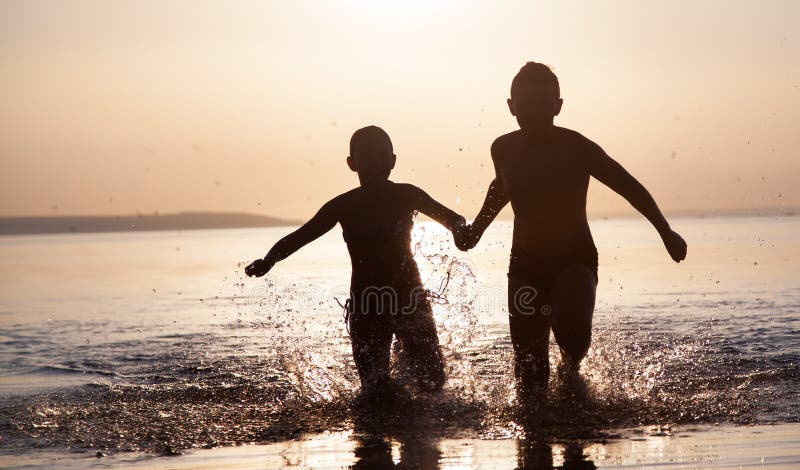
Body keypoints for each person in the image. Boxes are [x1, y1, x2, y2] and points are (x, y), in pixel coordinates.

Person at [455, 62, 687, 405]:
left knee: (571, 333)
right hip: (525, 265)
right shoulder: (502, 148)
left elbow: (626, 184)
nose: (533, 111)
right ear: (511, 107)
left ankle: (570, 369)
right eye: (525, 103)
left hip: (574, 259)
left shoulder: (576, 146)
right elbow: (502, 187)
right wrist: (475, 229)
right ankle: (534, 444)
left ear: (558, 106)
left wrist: (665, 231)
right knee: (529, 371)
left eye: (542, 103)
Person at [245, 126, 466, 401]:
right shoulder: (344, 205)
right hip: (366, 304)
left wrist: (460, 230)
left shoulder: (407, 194)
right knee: (374, 390)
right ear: (352, 163)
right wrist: (269, 260)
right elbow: (301, 236)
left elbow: (452, 218)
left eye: (381, 156)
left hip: (410, 297)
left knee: (432, 380)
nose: (375, 163)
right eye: (366, 157)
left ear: (393, 160)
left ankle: (419, 430)